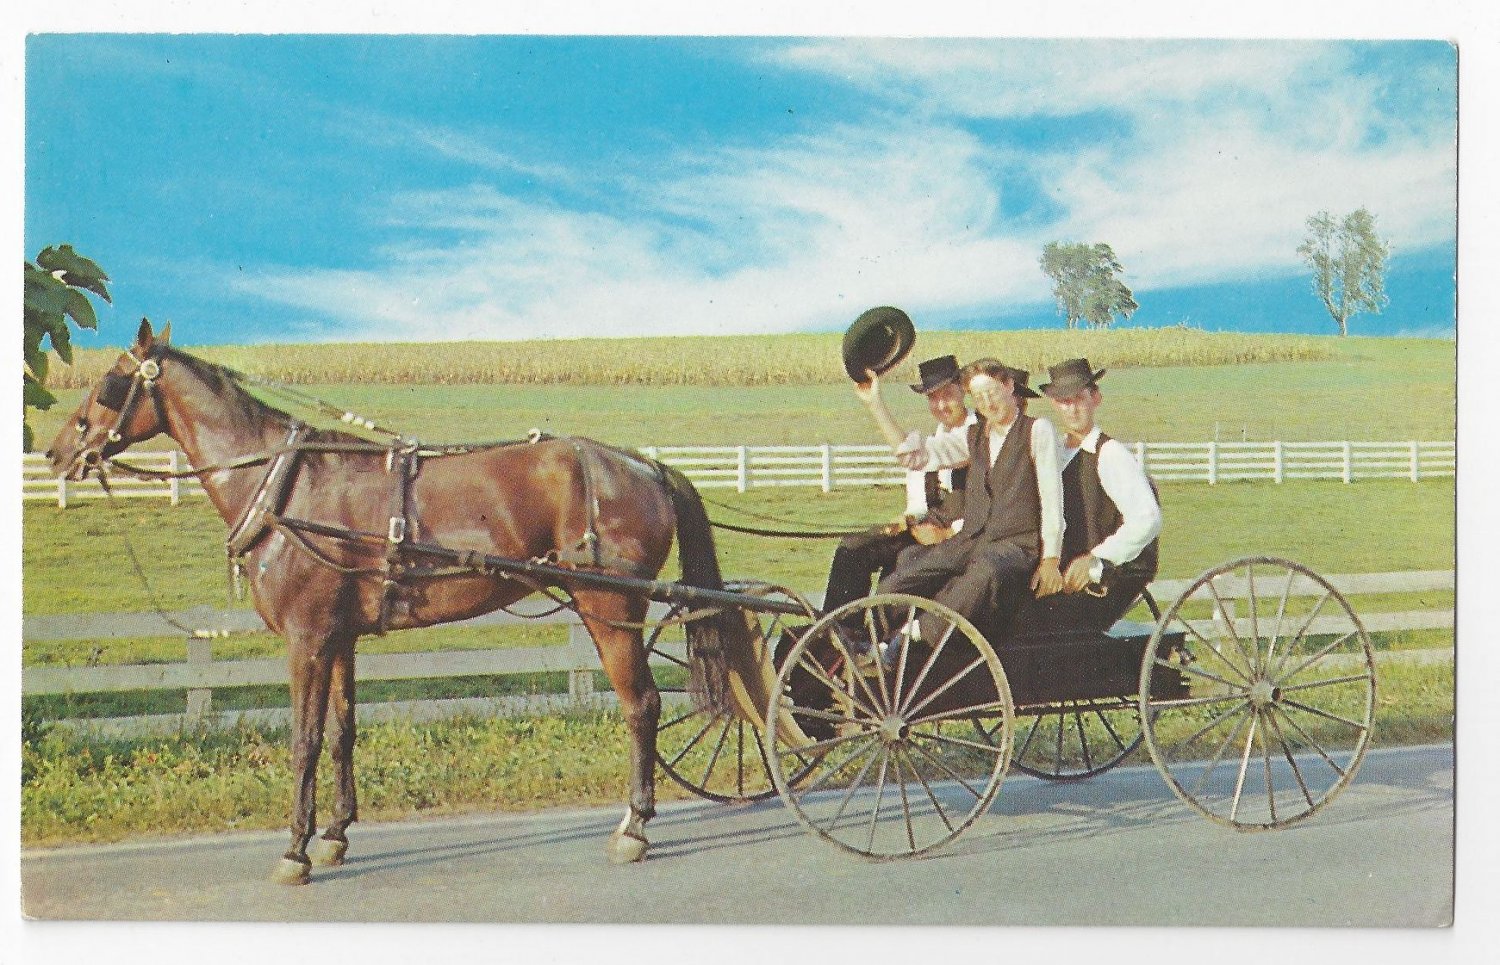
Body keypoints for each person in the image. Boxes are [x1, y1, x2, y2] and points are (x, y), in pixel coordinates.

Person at [873, 358, 1065, 646]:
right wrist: (874, 402)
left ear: (1009, 385)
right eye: (979, 396)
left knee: (982, 573)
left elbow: (1052, 500)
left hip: (1015, 547)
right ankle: (877, 645)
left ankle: (914, 636)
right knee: (898, 582)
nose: (987, 402)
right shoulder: (974, 436)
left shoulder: (1037, 431)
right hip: (972, 539)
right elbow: (915, 457)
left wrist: (1051, 559)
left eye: (992, 392)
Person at [821, 355, 976, 614]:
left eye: (947, 395)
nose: (941, 405)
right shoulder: (936, 438)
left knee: (896, 575)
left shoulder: (978, 437)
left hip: (958, 539)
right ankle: (840, 629)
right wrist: (904, 520)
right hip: (923, 530)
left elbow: (991, 501)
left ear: (962, 390)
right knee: (853, 547)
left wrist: (948, 533)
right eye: (932, 398)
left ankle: (875, 633)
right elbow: (917, 498)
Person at [1034, 357, 1162, 628]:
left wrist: (1098, 558)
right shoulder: (1056, 453)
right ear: (1054, 404)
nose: (1072, 409)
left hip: (1106, 577)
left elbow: (1147, 519)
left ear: (1095, 398)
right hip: (1064, 572)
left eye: (1079, 399)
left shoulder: (1109, 454)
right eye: (1064, 402)